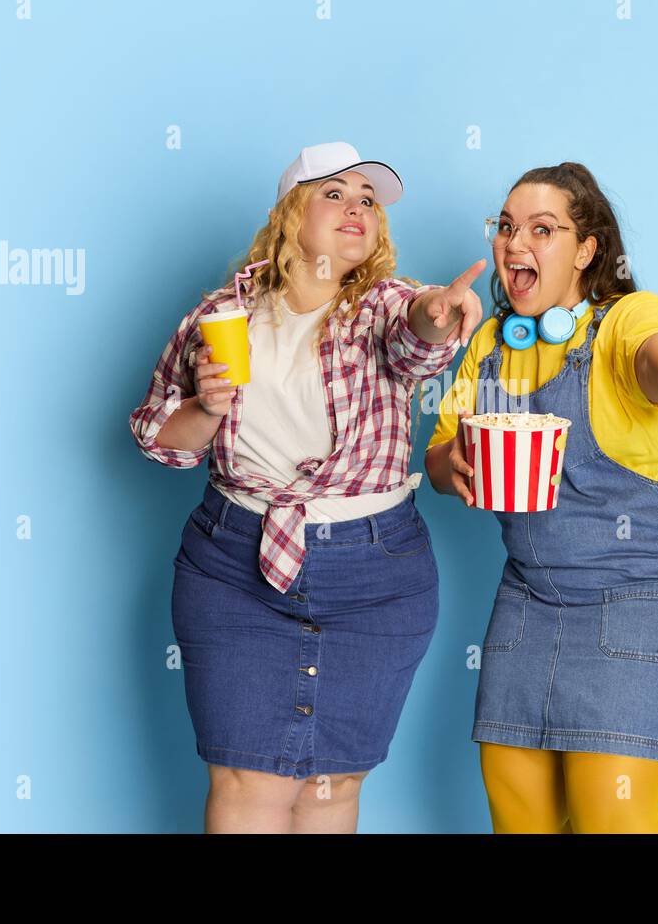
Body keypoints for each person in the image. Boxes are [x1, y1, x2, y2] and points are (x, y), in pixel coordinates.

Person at [129, 141, 484, 833]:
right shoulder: (221, 315)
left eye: (368, 201)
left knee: (330, 786)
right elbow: (154, 435)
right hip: (234, 563)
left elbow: (418, 338)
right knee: (246, 782)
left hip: (376, 571)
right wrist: (204, 408)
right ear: (293, 211)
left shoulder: (387, 305)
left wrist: (438, 316)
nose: (357, 207)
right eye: (335, 193)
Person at [425, 162, 658, 833]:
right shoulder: (490, 347)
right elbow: (439, 451)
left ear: (587, 250)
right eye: (507, 227)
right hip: (532, 594)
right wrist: (449, 463)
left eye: (543, 229)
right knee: (521, 812)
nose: (516, 242)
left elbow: (657, 358)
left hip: (648, 591)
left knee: (609, 813)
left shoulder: (626, 322)